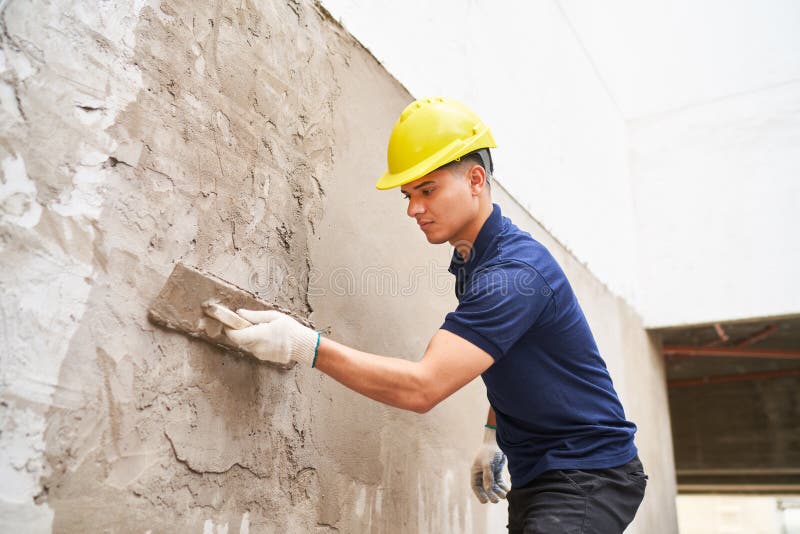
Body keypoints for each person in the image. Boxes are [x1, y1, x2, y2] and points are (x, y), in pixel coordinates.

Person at [225, 97, 647, 533]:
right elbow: (508, 354)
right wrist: (492, 433)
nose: (413, 209)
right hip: (543, 473)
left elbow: (422, 388)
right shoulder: (477, 260)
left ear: (476, 180)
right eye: (409, 195)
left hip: (589, 474)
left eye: (427, 190)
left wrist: (303, 345)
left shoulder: (512, 275)